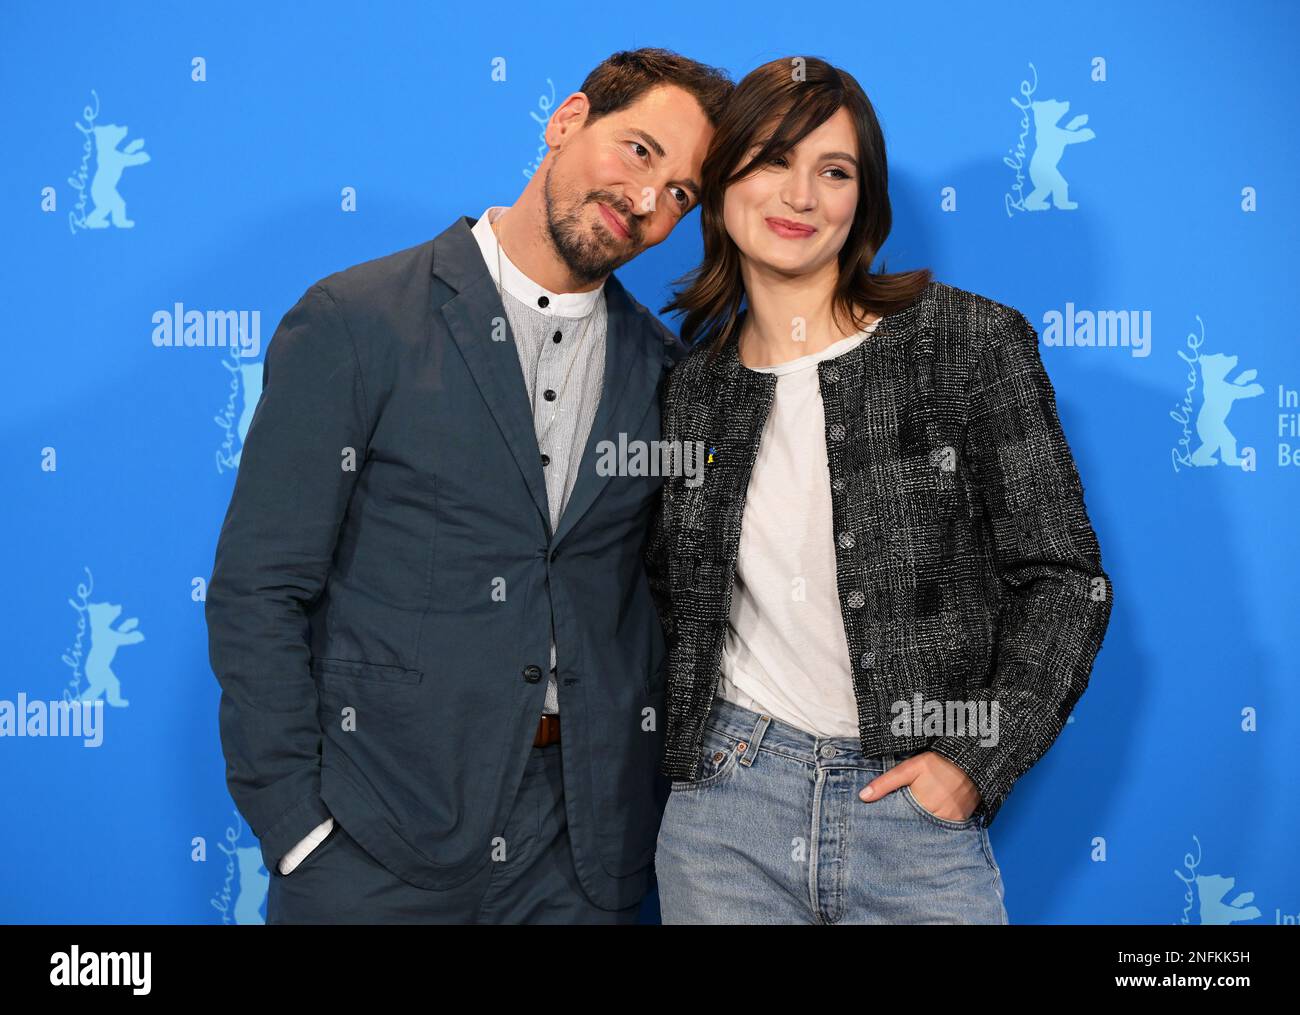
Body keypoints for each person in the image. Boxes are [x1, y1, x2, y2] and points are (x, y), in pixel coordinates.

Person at [206, 47, 731, 924]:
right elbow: (259, 587)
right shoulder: (358, 319)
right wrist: (296, 824)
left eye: (682, 194)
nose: (647, 201)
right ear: (568, 121)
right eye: (640, 152)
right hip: (376, 839)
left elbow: (659, 601)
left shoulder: (663, 371)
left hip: (579, 854)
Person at [644, 56, 1114, 924]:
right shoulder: (690, 390)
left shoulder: (965, 342)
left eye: (834, 171)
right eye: (771, 161)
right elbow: (667, 598)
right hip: (726, 813)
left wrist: (973, 760)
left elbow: (1064, 580)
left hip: (912, 819)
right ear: (721, 184)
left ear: (864, 201)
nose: (801, 195)